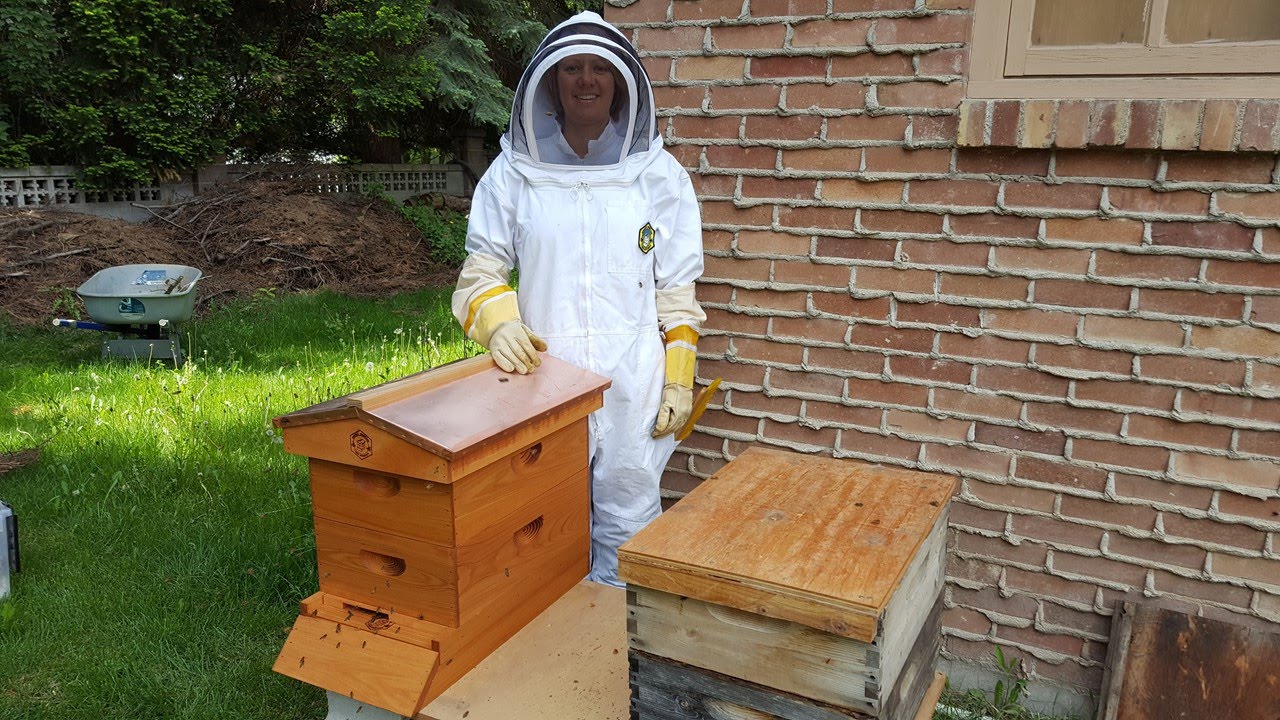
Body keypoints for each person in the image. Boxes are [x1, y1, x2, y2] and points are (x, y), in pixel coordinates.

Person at [452, 11, 705, 587]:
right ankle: (554, 629)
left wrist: (678, 378)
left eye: (599, 69)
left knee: (630, 511)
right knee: (542, 516)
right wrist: (500, 325)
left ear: (620, 83)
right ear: (551, 81)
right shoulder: (513, 174)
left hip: (632, 375)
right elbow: (482, 269)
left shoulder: (658, 176)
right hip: (544, 371)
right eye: (572, 68)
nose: (586, 80)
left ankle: (617, 628)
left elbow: (676, 286)